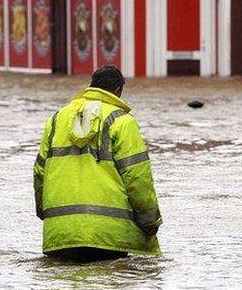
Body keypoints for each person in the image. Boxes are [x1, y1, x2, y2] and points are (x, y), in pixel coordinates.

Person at [33, 65, 162, 261]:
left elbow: (39, 172)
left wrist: (48, 215)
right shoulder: (122, 121)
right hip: (109, 235)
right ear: (119, 90)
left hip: (61, 233)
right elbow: (137, 177)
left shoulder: (57, 119)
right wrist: (150, 222)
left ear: (91, 86)